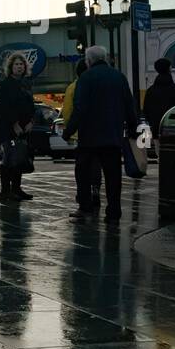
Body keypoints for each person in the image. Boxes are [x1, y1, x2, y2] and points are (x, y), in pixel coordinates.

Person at [63, 45, 139, 219]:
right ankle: (114, 210)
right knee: (113, 175)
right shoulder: (119, 77)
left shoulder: (86, 78)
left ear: (88, 61)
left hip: (89, 136)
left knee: (82, 172)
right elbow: (129, 105)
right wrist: (133, 128)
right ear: (105, 58)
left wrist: (69, 131)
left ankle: (85, 207)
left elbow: (80, 108)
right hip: (112, 135)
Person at [0, 53, 37, 201]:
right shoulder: (5, 84)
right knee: (9, 158)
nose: (19, 67)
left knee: (20, 157)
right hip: (10, 127)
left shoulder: (27, 83)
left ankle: (17, 188)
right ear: (11, 67)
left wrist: (31, 121)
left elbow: (32, 105)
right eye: (16, 64)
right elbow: (5, 108)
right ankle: (5, 190)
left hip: (25, 126)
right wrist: (14, 124)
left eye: (21, 64)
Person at [62, 58, 100, 211]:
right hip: (98, 131)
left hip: (80, 133)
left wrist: (69, 131)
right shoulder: (97, 85)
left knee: (82, 167)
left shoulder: (73, 87)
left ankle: (83, 197)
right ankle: (95, 189)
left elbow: (67, 112)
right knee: (96, 164)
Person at [143, 58, 175, 151]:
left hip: (156, 130)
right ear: (169, 69)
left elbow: (146, 111)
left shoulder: (150, 91)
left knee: (160, 157)